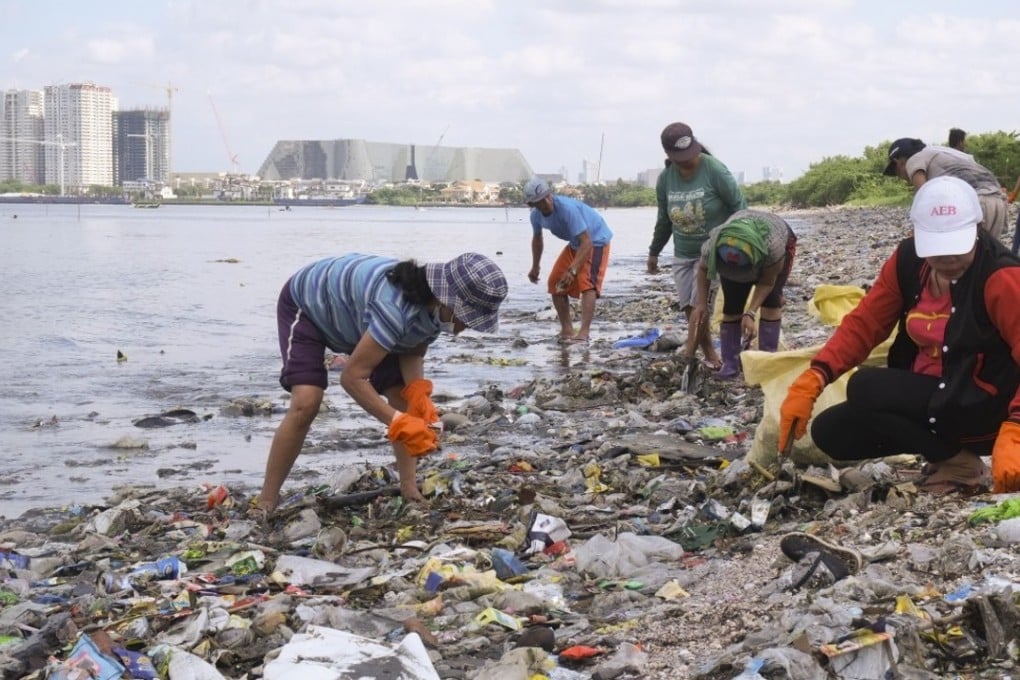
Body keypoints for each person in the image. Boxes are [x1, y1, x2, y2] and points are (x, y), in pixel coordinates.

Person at [778, 176, 1020, 494]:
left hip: (987, 406)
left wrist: (1016, 429)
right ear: (917, 236)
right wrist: (815, 377)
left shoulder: (1001, 276)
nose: (949, 260)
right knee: (831, 432)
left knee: (866, 385)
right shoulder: (907, 262)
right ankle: (949, 456)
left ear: (976, 229)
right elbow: (864, 324)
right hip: (936, 400)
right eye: (938, 250)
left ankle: (963, 467)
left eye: (957, 248)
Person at [255, 252, 508, 515]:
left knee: (403, 395)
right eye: (467, 318)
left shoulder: (432, 310)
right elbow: (352, 378)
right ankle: (266, 501)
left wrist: (420, 398)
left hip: (358, 321)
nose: (466, 327)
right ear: (447, 300)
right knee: (306, 402)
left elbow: (413, 348)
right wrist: (398, 422)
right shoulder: (393, 309)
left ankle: (409, 487)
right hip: (308, 305)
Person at [648, 122, 747, 371]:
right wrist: (654, 252)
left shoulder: (713, 169)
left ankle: (691, 355)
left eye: (690, 155)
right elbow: (663, 219)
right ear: (669, 155)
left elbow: (739, 207)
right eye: (680, 159)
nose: (687, 162)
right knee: (690, 307)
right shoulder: (665, 179)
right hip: (683, 252)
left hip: (714, 251)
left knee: (702, 305)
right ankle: (709, 353)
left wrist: (737, 243)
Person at [688, 210, 797, 379]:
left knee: (771, 301)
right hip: (737, 243)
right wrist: (701, 304)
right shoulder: (714, 245)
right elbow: (702, 269)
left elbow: (767, 283)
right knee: (731, 306)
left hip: (776, 241)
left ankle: (766, 363)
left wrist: (751, 313)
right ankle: (730, 365)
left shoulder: (773, 248)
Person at [524, 177, 612, 343]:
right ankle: (567, 329)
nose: (547, 202)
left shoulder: (566, 209)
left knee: (587, 284)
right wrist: (535, 266)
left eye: (547, 197)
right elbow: (537, 239)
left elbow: (587, 242)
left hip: (596, 239)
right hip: (576, 243)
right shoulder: (535, 216)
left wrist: (572, 270)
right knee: (555, 283)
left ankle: (584, 333)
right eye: (540, 202)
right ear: (532, 205)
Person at [883, 137, 1008, 239]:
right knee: (986, 257)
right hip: (998, 200)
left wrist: (918, 231)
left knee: (961, 257)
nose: (900, 177)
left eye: (896, 172)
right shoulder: (947, 153)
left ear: (899, 161)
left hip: (975, 203)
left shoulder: (913, 160)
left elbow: (926, 198)